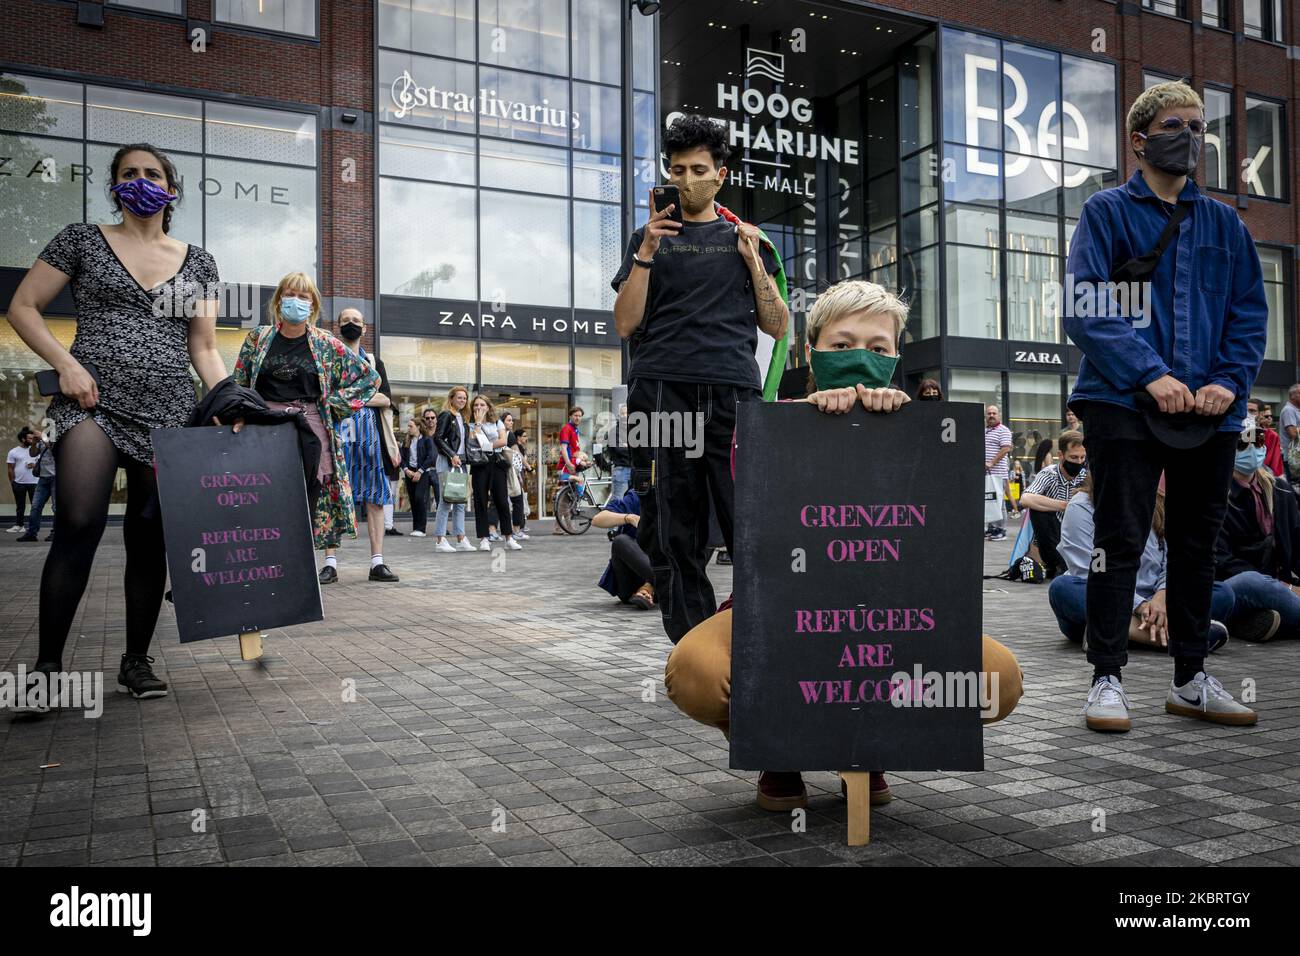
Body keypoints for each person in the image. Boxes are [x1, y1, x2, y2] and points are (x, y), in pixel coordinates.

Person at [665, 280, 1023, 811]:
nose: (860, 357)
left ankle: (868, 746)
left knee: (997, 678)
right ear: (813, 351)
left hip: (896, 617)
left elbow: (942, 525)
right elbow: (750, 494)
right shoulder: (768, 424)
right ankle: (778, 749)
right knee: (696, 672)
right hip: (776, 614)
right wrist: (808, 423)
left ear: (895, 358)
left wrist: (905, 433)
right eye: (842, 344)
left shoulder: (923, 429)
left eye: (878, 348)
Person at [1065, 81, 1267, 732]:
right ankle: (1106, 679)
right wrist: (1150, 374)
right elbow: (1086, 307)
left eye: (1199, 125)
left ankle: (1191, 679)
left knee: (1196, 544)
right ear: (1139, 139)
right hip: (1120, 400)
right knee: (1117, 539)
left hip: (1209, 411)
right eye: (1175, 124)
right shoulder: (1105, 213)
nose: (1190, 135)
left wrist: (1230, 383)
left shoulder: (1226, 224)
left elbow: (1248, 313)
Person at [7, 142, 230, 705]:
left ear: (171, 188)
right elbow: (23, 306)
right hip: (92, 403)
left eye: (152, 173)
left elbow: (203, 349)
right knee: (79, 522)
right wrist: (66, 365)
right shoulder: (81, 239)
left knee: (150, 537)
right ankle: (47, 669)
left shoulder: (198, 262)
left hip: (170, 411)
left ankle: (136, 662)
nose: (140, 180)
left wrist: (225, 400)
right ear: (113, 186)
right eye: (128, 173)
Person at [611, 114, 788, 643]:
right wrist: (645, 253)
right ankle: (696, 645)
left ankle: (760, 637)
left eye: (698, 169)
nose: (686, 180)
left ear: (721, 175)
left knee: (750, 519)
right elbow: (625, 323)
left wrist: (755, 264)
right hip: (660, 390)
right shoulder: (647, 239)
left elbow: (777, 325)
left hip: (734, 391)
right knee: (669, 527)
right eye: (676, 169)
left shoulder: (746, 238)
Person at [233, 273, 381, 572]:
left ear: (312, 304)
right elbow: (239, 382)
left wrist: (332, 406)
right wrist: (238, 414)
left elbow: (369, 379)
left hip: (309, 428)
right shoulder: (258, 338)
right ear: (278, 300)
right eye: (290, 294)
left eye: (304, 297)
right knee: (264, 497)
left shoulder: (325, 343)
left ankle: (295, 572)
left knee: (304, 501)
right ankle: (263, 566)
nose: (296, 301)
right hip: (265, 427)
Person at [1050, 471, 1233, 652]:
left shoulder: (1158, 501)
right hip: (1108, 597)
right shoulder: (1082, 507)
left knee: (1222, 593)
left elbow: (1173, 558)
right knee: (1063, 588)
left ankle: (1115, 632)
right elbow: (1091, 570)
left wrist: (1163, 596)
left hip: (1158, 601)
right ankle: (1177, 638)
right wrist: (1140, 605)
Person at [314, 308, 400, 583]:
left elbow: (386, 399)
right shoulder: (327, 360)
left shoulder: (374, 361)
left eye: (356, 321)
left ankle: (377, 562)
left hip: (370, 442)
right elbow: (323, 398)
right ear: (338, 327)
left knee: (375, 499)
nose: (351, 324)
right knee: (333, 498)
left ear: (364, 328)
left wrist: (346, 397)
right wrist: (364, 395)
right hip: (337, 441)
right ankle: (330, 563)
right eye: (345, 321)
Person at [1211, 415, 1300, 642]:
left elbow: (1297, 541)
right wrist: (1284, 587)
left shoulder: (1281, 489)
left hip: (1277, 581)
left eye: (1258, 440)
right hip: (1234, 583)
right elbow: (1220, 559)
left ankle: (1248, 621)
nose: (1252, 448)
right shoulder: (1214, 494)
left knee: (1267, 598)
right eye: (1243, 442)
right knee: (1253, 582)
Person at [1018, 430, 1087, 578]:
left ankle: (1064, 565)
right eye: (1074, 457)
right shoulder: (1049, 474)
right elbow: (1025, 499)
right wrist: (1067, 506)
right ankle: (1056, 563)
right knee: (1038, 510)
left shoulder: (1086, 475)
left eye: (1082, 457)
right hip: (1052, 538)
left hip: (1078, 537)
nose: (1079, 462)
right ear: (1061, 455)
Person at [466, 394, 521, 552]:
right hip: (479, 464)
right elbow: (471, 442)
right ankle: (484, 538)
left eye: (482, 405)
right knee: (480, 501)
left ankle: (508, 537)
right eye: (476, 405)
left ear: (488, 407)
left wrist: (485, 446)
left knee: (502, 500)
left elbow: (503, 441)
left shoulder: (497, 422)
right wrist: (477, 424)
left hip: (496, 462)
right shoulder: (470, 424)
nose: (479, 408)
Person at [592, 489, 654, 610]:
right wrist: (629, 518)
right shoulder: (637, 496)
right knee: (621, 541)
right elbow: (597, 519)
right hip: (632, 582)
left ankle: (648, 588)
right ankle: (651, 585)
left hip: (668, 576)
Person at [433, 386, 474, 553]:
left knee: (460, 502)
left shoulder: (462, 419)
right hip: (447, 462)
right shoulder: (445, 415)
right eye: (459, 398)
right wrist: (451, 454)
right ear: (451, 399)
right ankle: (440, 540)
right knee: (446, 501)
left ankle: (461, 538)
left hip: (460, 463)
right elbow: (438, 438)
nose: (462, 401)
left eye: (464, 398)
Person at [18, 428, 57, 542]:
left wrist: (44, 438)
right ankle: (31, 533)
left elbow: (55, 450)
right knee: (35, 506)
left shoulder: (60, 440)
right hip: (43, 478)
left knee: (56, 508)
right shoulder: (41, 442)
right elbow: (32, 453)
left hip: (57, 478)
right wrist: (34, 443)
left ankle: (56, 533)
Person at [553, 406, 586, 535]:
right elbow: (563, 448)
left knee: (566, 501)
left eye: (580, 416)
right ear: (570, 416)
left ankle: (560, 527)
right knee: (565, 501)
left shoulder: (575, 430)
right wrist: (568, 463)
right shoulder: (567, 429)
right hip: (565, 468)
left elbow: (575, 451)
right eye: (575, 415)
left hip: (571, 467)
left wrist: (582, 461)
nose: (578, 418)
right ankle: (566, 527)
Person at [402, 416, 436, 538]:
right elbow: (402, 458)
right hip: (409, 472)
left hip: (422, 472)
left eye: (411, 426)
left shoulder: (426, 440)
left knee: (419, 498)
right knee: (412, 499)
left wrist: (420, 471)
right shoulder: (407, 440)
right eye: (408, 426)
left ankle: (421, 528)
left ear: (418, 427)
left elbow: (430, 457)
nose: (409, 428)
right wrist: (406, 470)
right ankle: (416, 527)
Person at [984, 405, 1013, 540]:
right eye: (989, 413)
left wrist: (992, 462)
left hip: (998, 472)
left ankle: (1001, 530)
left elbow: (1006, 448)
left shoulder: (1003, 430)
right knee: (990, 501)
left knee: (999, 502)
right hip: (987, 474)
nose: (991, 415)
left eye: (994, 413)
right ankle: (992, 528)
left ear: (999, 415)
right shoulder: (985, 431)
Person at [7, 426, 39, 532]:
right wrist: (13, 482)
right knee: (20, 506)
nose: (32, 440)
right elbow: (10, 468)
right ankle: (19, 526)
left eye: (32, 438)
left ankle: (33, 528)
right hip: (19, 483)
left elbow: (43, 464)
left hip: (35, 483)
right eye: (29, 438)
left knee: (35, 507)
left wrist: (34, 465)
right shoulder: (13, 452)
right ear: (23, 439)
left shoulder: (37, 450)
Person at [1247, 397, 1283, 477]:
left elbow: (1275, 463)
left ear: (1261, 414)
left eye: (1252, 411)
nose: (1248, 414)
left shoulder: (1271, 436)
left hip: (1263, 477)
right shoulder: (1238, 432)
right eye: (1246, 410)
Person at [605, 403, 633, 503]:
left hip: (634, 471)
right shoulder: (613, 432)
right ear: (619, 416)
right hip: (621, 470)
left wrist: (626, 446)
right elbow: (619, 450)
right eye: (622, 414)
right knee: (619, 501)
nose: (625, 416)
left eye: (627, 413)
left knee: (631, 502)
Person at [512, 428, 533, 538]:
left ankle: (521, 525)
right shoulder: (517, 447)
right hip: (517, 475)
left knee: (521, 499)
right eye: (524, 436)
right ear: (518, 437)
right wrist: (529, 468)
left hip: (520, 475)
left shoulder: (521, 447)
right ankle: (519, 527)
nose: (526, 438)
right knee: (519, 500)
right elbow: (521, 460)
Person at [1280, 384, 1300, 481]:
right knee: (1294, 489)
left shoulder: (1296, 410)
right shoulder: (1289, 410)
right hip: (1293, 460)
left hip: (1296, 458)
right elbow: (1293, 434)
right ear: (1292, 395)